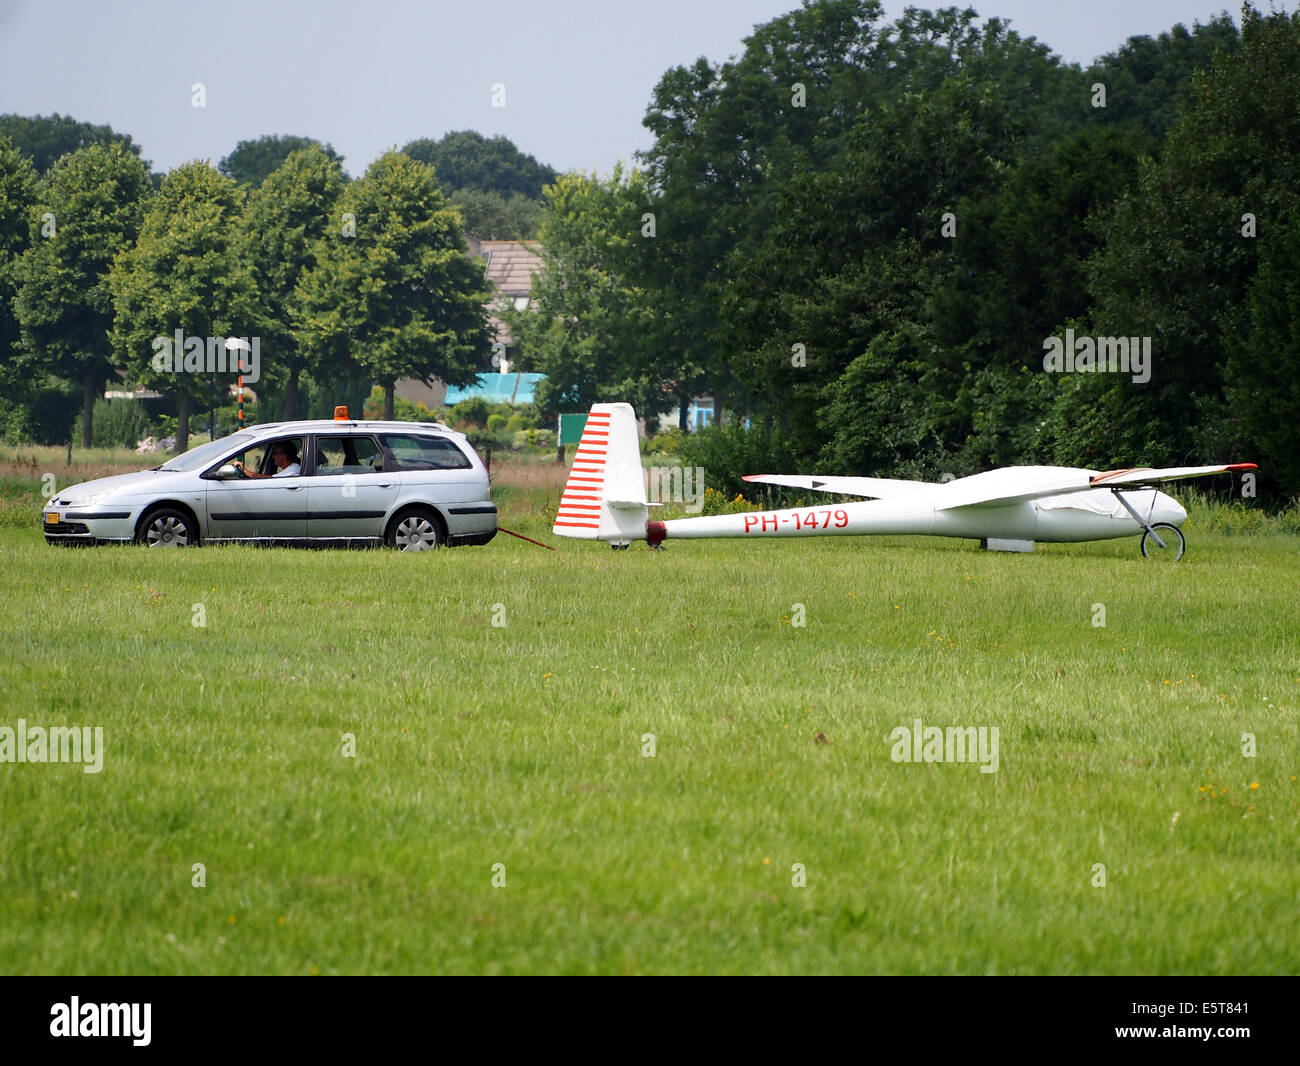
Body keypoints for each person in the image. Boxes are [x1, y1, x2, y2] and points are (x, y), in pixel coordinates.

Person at [234, 441, 301, 479]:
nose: (272, 456)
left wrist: (244, 471)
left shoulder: (294, 469)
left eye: (275, 453)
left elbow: (269, 478)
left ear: (284, 455)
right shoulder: (292, 468)